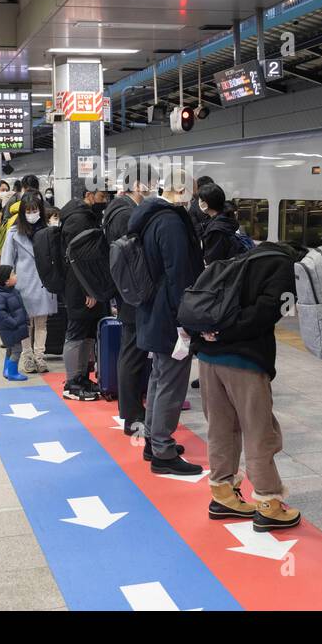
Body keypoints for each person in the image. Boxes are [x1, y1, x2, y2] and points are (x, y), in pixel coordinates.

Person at [193, 239, 302, 531]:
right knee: (259, 430)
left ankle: (223, 495)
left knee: (221, 428)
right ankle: (268, 502)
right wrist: (228, 333)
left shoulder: (240, 260)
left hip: (207, 358)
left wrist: (212, 334)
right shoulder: (284, 267)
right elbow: (267, 313)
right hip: (243, 361)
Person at [129, 166, 204, 475]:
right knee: (171, 381)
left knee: (159, 377)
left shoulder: (150, 217)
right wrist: (185, 319)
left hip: (153, 311)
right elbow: (179, 276)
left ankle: (152, 440)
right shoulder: (171, 223)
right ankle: (162, 450)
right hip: (170, 316)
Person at [103, 172, 151, 436]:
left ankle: (131, 410)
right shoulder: (125, 215)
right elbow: (131, 257)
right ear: (136, 185)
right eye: (150, 184)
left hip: (127, 291)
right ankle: (132, 414)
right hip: (132, 293)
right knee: (132, 352)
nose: (152, 189)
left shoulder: (119, 209)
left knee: (130, 350)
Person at [59, 186, 110, 402]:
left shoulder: (81, 216)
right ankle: (71, 382)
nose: (104, 200)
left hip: (86, 286)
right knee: (77, 331)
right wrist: (88, 289)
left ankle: (82, 377)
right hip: (80, 287)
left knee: (88, 331)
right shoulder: (79, 220)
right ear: (88, 195)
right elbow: (80, 260)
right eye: (101, 196)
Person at [4, 190, 57, 374]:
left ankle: (40, 357)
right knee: (25, 323)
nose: (32, 213)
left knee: (42, 323)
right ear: (22, 212)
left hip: (43, 282)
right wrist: (6, 282)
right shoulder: (13, 233)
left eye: (35, 210)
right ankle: (27, 357)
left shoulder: (48, 232)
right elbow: (6, 261)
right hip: (23, 283)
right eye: (28, 210)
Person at [0, 264, 30, 382]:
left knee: (10, 349)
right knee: (17, 350)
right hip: (10, 329)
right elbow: (0, 313)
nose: (16, 275)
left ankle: (7, 370)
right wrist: (14, 322)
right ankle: (12, 372)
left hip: (15, 327)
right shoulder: (1, 296)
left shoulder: (13, 291)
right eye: (13, 274)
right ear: (6, 281)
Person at [198, 183, 248, 264]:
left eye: (200, 200)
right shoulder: (225, 218)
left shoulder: (216, 230)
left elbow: (213, 260)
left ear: (205, 204)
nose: (199, 202)